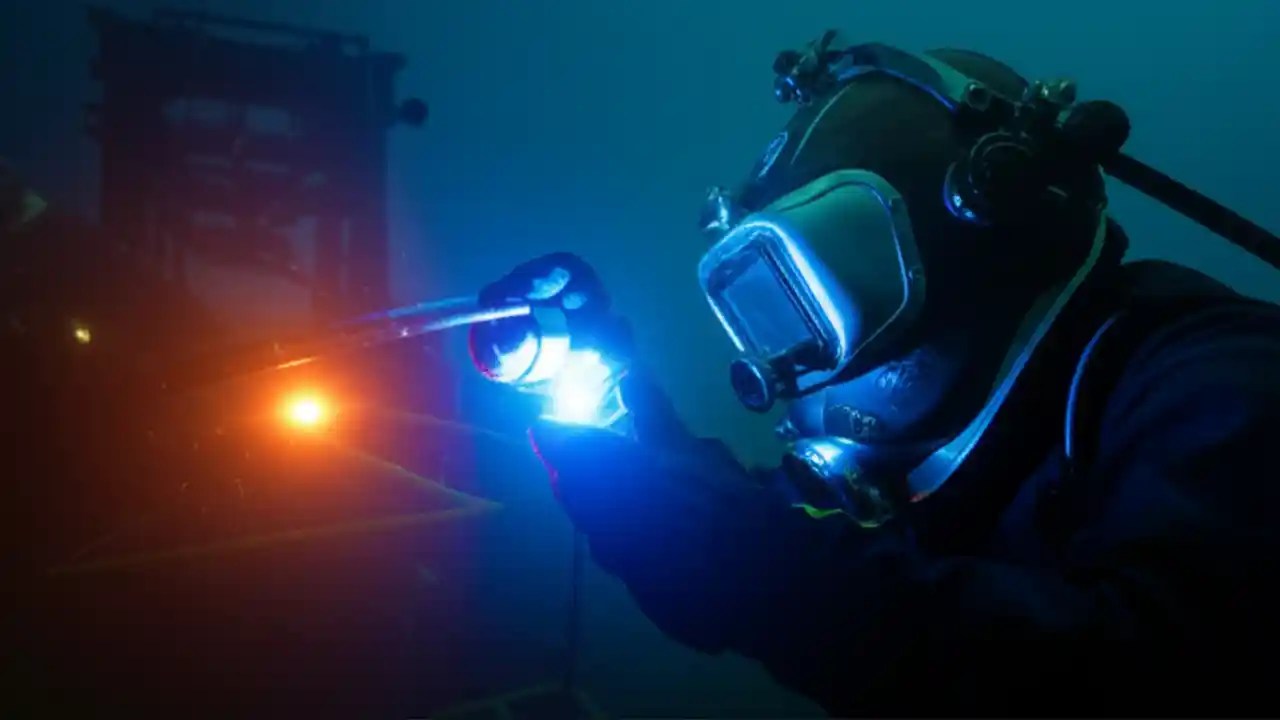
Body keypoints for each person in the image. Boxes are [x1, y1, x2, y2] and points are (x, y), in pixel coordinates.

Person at [473, 33, 1280, 716]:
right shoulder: (922, 458)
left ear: (980, 242)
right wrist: (627, 413)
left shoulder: (1219, 381)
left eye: (836, 287)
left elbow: (1144, 673)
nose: (801, 363)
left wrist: (756, 568)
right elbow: (781, 545)